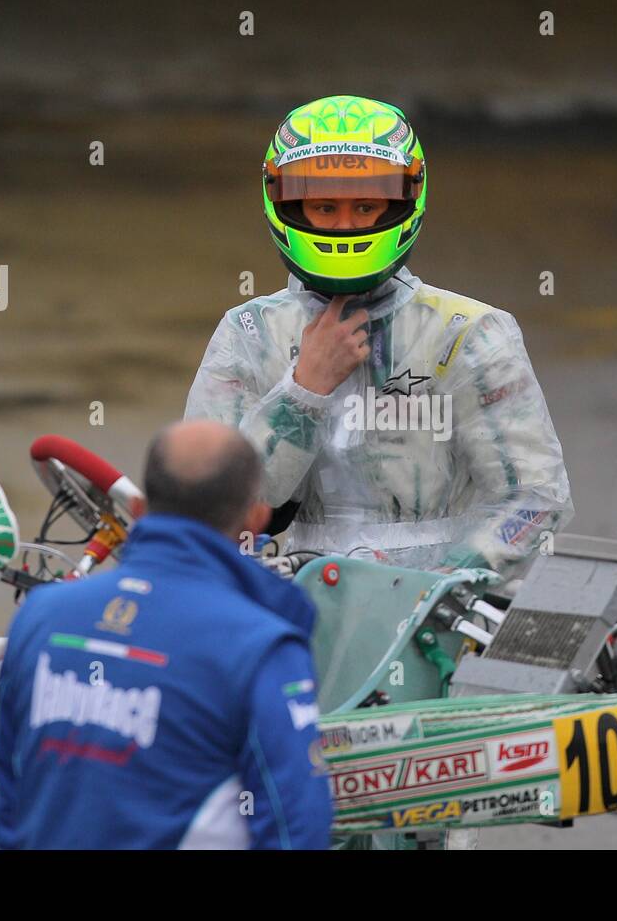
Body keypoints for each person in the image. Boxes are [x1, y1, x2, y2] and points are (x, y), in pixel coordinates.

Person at [184, 94, 572, 579]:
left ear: (403, 202)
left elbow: (537, 499)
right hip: (300, 596)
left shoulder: (467, 334)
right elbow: (207, 511)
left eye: (365, 206)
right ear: (285, 204)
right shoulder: (249, 333)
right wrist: (304, 389)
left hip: (439, 611)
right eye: (325, 206)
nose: (345, 225)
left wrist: (440, 590)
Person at [0, 420, 333, 849]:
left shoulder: (40, 618)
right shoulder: (263, 648)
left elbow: (10, 794)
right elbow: (295, 829)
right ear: (256, 518)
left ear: (138, 508)